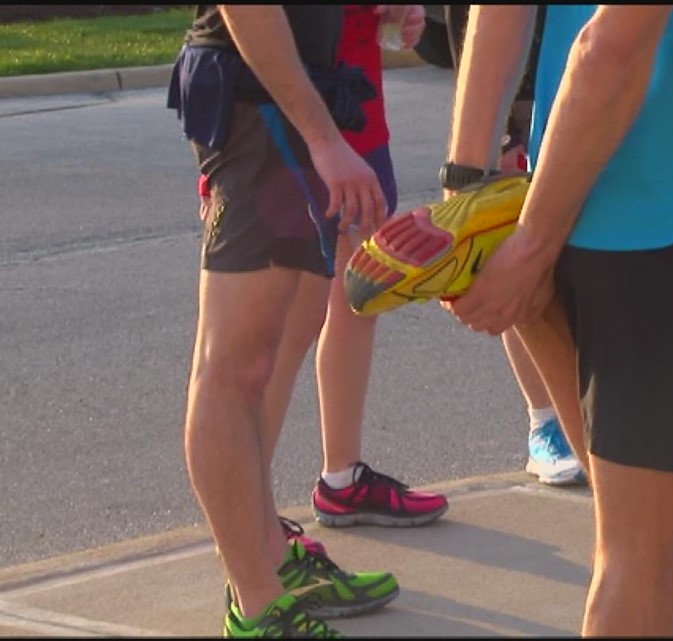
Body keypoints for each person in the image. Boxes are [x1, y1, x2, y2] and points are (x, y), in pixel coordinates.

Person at [442, 5, 673, 635]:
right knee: (645, 560)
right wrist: (528, 243)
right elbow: (613, 47)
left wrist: (471, 192)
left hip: (581, 202)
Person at [168, 5, 398, 637]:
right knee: (232, 369)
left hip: (287, 95)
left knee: (263, 356)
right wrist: (324, 140)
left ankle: (269, 560)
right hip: (255, 101)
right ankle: (256, 603)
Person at [443, 4, 586, 487]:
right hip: (525, 93)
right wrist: (483, 150)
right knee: (516, 254)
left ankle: (586, 431)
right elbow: (486, 22)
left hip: (586, 91)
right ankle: (546, 421)